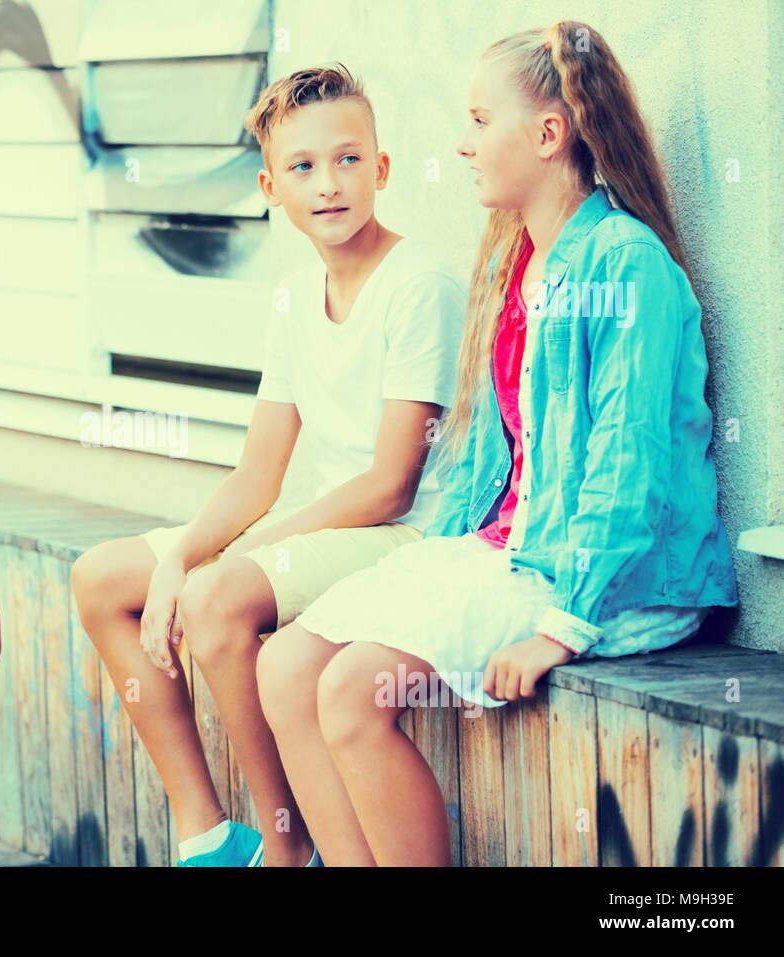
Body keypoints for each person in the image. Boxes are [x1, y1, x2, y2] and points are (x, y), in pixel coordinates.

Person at [256, 22, 739, 866]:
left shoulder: (624, 267)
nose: (463, 142)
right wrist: (429, 570)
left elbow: (629, 465)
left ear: (549, 135)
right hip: (515, 548)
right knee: (287, 668)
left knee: (349, 690)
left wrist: (563, 625)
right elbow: (496, 463)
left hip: (614, 578)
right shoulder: (516, 260)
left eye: (481, 121)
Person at [71, 65, 466, 866]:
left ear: (383, 169)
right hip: (340, 521)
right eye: (303, 168)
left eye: (350, 160)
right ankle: (212, 833)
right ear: (269, 186)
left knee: (219, 595)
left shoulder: (419, 285)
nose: (329, 184)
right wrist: (181, 554)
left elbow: (393, 482)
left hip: (413, 531)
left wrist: (244, 556)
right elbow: (257, 474)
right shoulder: (294, 298)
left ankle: (285, 847)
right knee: (104, 577)